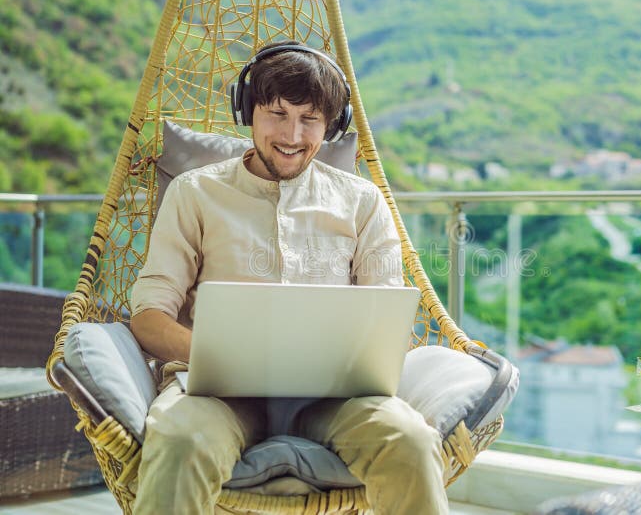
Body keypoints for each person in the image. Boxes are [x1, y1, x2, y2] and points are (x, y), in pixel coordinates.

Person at [129, 40, 448, 514]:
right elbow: (148, 316)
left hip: (334, 398)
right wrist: (221, 357)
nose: (292, 135)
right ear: (248, 111)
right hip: (219, 394)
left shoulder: (362, 203)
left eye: (309, 119)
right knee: (179, 439)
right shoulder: (195, 194)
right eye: (277, 113)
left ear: (331, 126)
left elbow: (388, 323)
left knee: (410, 440)